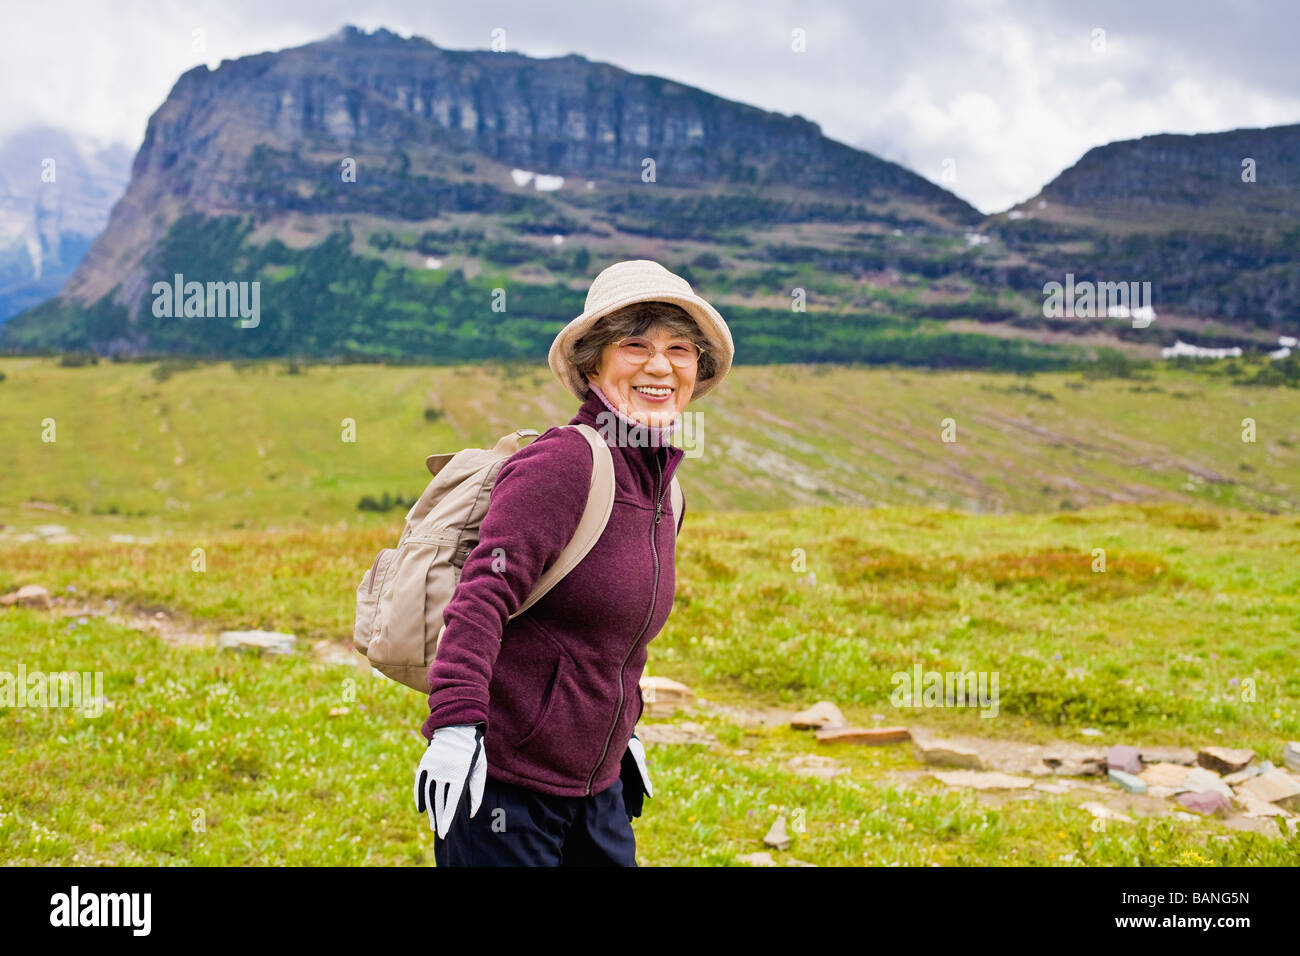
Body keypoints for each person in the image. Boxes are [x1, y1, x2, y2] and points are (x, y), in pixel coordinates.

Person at [413, 259, 734, 866]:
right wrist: (455, 727)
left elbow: (615, 635)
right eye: (634, 344)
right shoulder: (566, 464)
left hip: (598, 789)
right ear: (593, 362)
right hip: (505, 786)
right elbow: (481, 596)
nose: (660, 366)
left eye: (679, 348)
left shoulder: (666, 490)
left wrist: (622, 731)